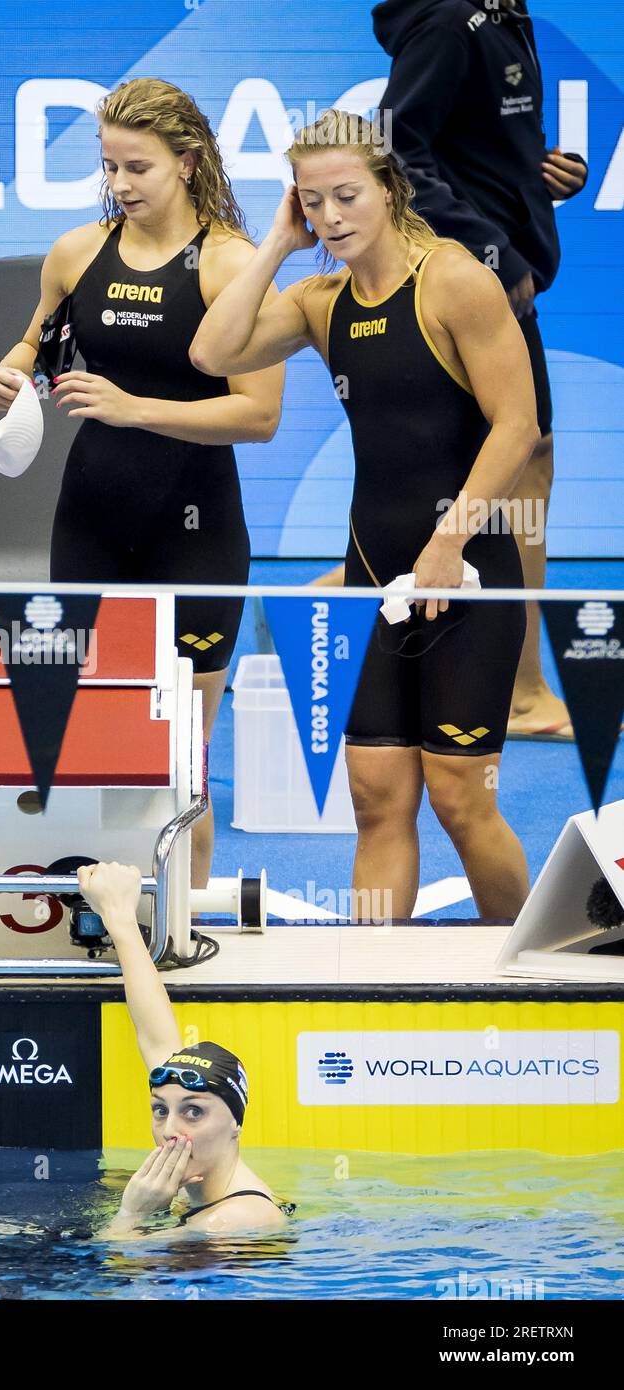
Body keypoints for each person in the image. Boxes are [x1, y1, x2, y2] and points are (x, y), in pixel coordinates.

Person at [191, 110, 539, 922]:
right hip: (373, 573)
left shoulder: (454, 281)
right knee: (377, 798)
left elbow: (516, 423)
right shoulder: (321, 301)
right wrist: (276, 244)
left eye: (347, 196)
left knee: (461, 799)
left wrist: (450, 542)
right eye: (313, 203)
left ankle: (539, 978)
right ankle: (372, 981)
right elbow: (211, 354)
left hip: (471, 571)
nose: (332, 218)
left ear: (390, 189)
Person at [0, 78, 284, 889]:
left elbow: (258, 416)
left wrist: (133, 407)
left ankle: (179, 931)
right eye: (109, 166)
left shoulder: (231, 265)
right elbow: (33, 349)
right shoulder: (79, 252)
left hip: (196, 530)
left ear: (187, 163)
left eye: (137, 168)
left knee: (184, 749)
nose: (118, 185)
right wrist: (2, 380)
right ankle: (105, 919)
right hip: (89, 520)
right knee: (92, 738)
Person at [370, 0, 588, 739]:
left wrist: (542, 175)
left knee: (508, 477)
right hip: (478, 280)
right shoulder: (449, 25)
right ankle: (522, 695)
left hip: (496, 272)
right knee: (521, 467)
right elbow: (395, 151)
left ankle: (312, 607)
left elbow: (468, 147)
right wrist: (491, 248)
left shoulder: (504, 15)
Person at [76, 862, 289, 1237]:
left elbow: (110, 1265)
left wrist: (131, 1215)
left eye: (193, 1112)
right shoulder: (206, 1186)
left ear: (235, 1125)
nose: (170, 1130)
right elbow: (155, 1033)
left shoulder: (236, 1219)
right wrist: (119, 916)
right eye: (160, 1110)